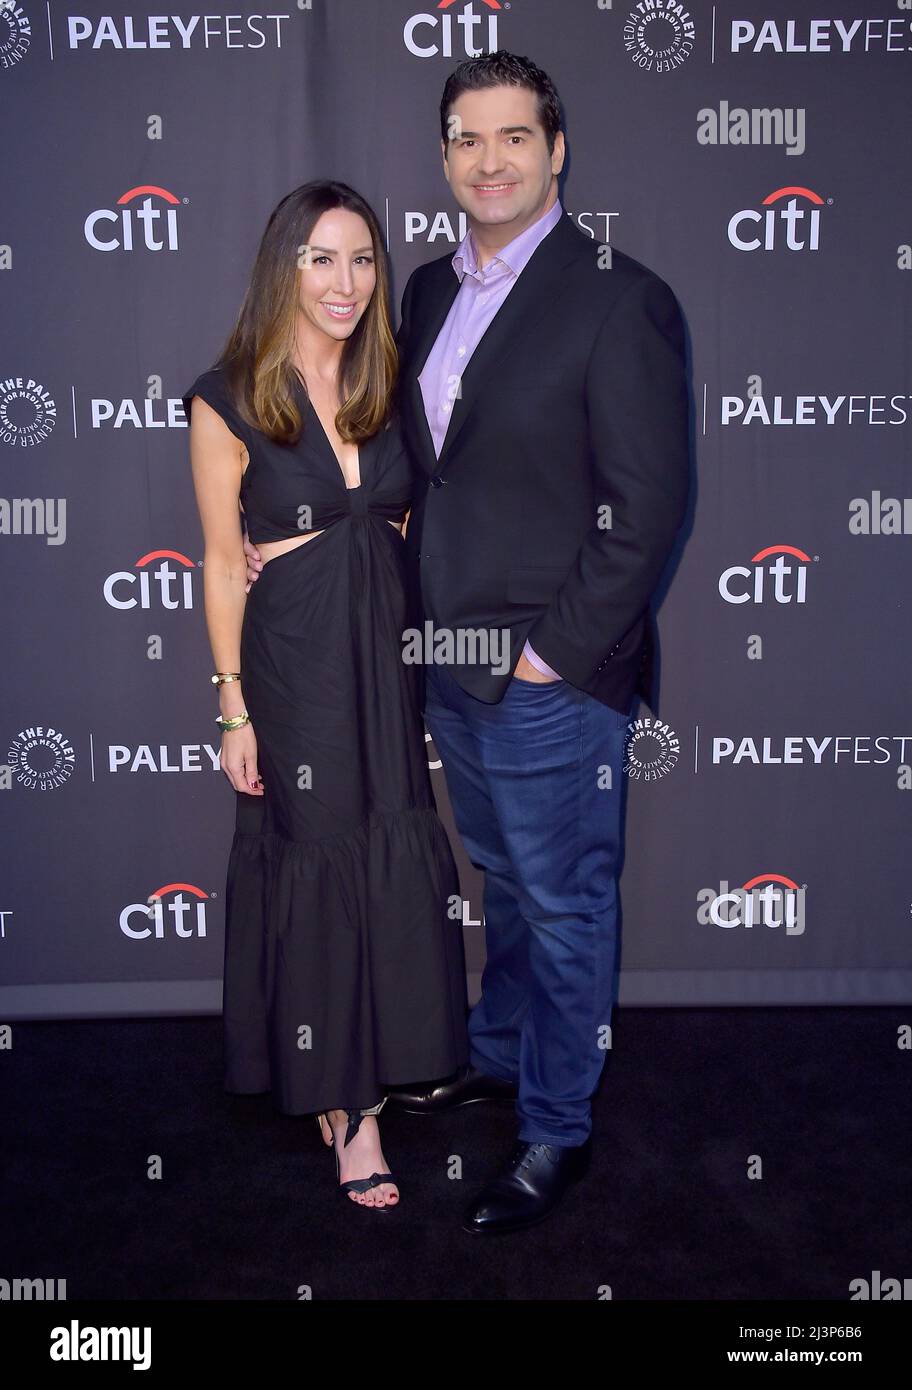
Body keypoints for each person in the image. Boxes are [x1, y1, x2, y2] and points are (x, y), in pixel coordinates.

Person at [246, 52, 690, 1237]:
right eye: (465, 138)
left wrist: (555, 655)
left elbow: (647, 507)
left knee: (564, 902)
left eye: (513, 138)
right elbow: (413, 477)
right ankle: (496, 1051)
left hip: (548, 674)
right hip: (443, 662)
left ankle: (556, 1128)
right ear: (443, 156)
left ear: (557, 151)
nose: (488, 160)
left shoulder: (617, 294)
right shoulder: (429, 293)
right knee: (503, 883)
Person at [183, 180, 469, 1213]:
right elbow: (222, 564)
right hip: (295, 662)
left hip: (383, 659)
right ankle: (348, 1111)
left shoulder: (390, 386)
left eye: (361, 260)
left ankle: (389, 1058)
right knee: (320, 861)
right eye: (320, 258)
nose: (344, 282)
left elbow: (401, 524)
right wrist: (232, 706)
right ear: (283, 269)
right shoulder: (227, 398)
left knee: (391, 843)